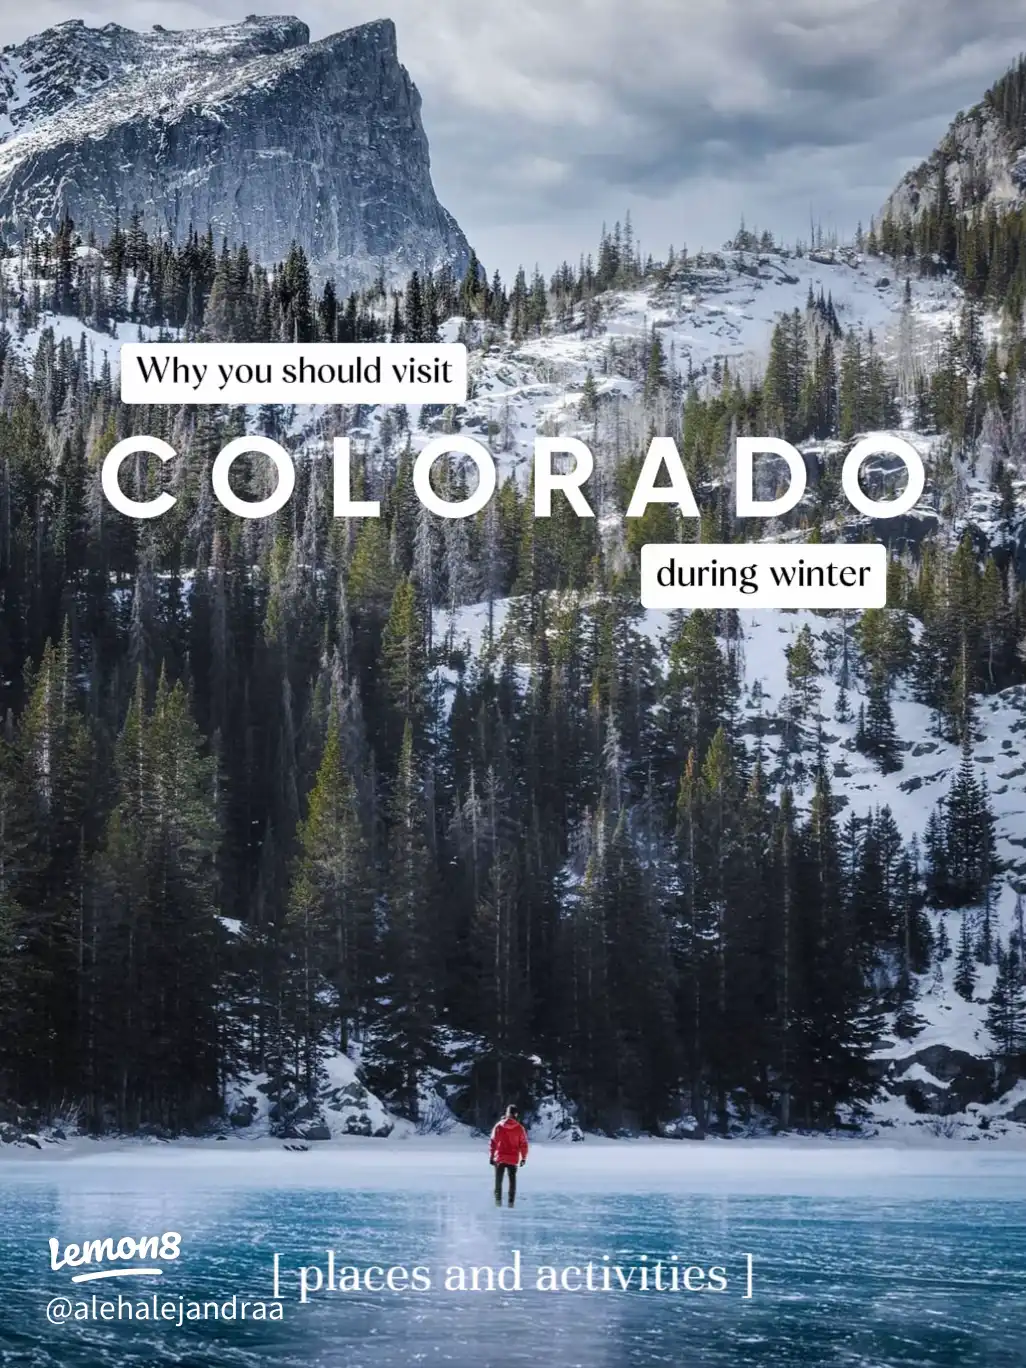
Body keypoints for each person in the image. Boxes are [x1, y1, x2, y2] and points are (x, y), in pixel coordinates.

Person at [489, 1104, 528, 1207]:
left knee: (498, 1181)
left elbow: (493, 1142)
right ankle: (511, 1202)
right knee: (512, 1181)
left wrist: (491, 1156)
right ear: (516, 1115)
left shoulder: (498, 1126)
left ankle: (498, 1201)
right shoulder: (519, 1128)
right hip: (513, 1158)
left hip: (500, 1158)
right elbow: (523, 1144)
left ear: (506, 1114)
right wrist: (523, 1158)